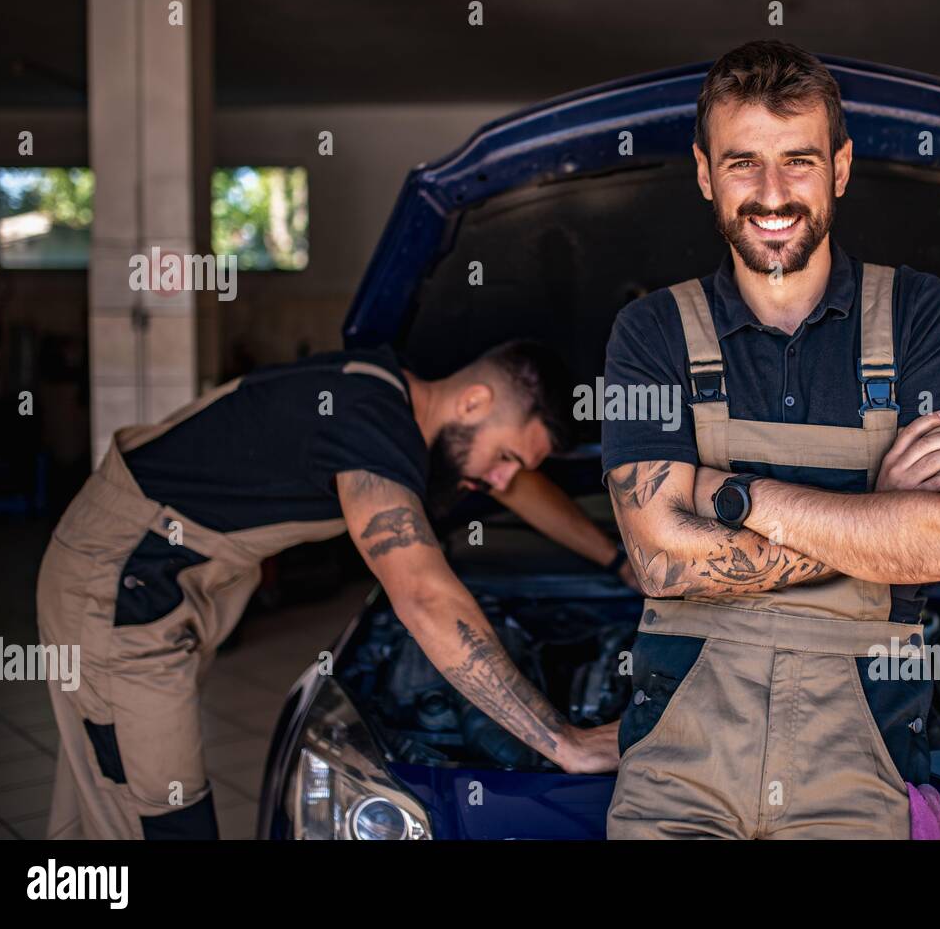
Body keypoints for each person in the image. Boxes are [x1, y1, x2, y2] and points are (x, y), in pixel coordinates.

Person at [601, 40, 940, 838]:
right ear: (707, 173)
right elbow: (657, 560)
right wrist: (882, 517)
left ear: (841, 168)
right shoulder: (652, 332)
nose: (773, 194)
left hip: (862, 762)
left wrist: (730, 494)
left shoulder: (923, 317)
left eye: (800, 161)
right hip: (679, 766)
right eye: (743, 162)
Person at [37, 338, 620, 839]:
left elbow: (515, 489)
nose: (499, 479)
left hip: (159, 580)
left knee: (105, 782)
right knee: (161, 814)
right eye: (506, 457)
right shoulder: (368, 422)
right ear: (474, 401)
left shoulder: (388, 396)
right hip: (121, 583)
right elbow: (421, 595)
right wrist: (562, 742)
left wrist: (618, 559)